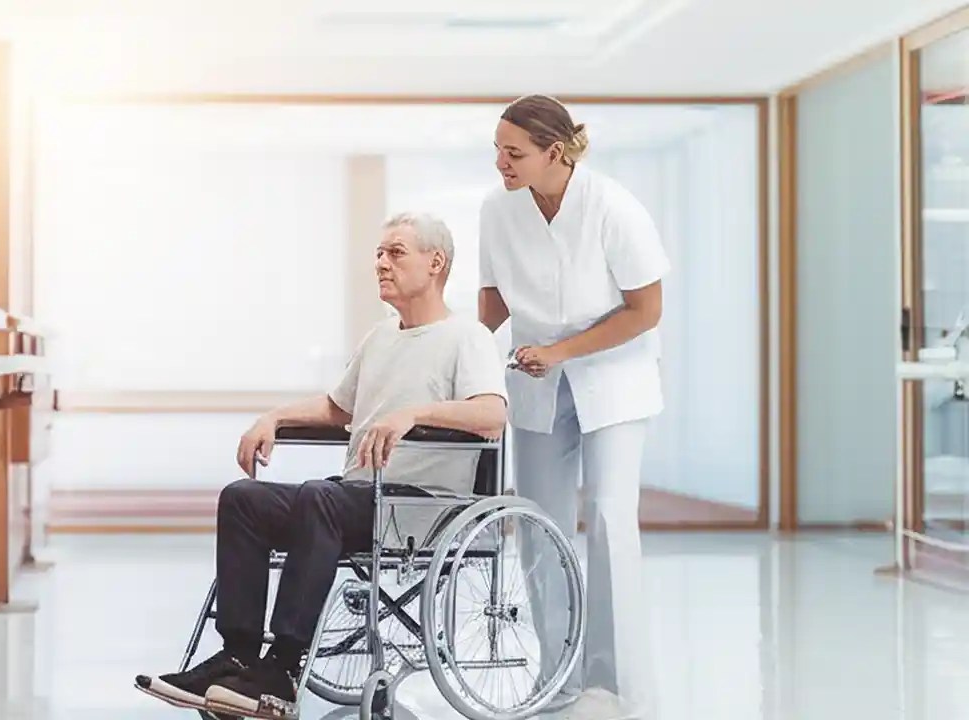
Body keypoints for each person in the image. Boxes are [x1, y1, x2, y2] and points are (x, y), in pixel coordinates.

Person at [135, 212, 508, 719]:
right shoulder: (381, 337)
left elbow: (492, 414)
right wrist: (274, 417)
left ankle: (284, 668)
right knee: (244, 498)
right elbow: (338, 408)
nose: (381, 263)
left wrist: (415, 413)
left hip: (419, 508)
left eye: (396, 253)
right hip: (356, 498)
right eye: (379, 253)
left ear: (435, 262)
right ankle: (238, 656)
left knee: (320, 497)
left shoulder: (467, 336)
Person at [478, 95, 667, 720]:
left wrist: (561, 351)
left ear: (554, 152)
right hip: (536, 381)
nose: (501, 162)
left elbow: (646, 310)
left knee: (609, 517)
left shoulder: (614, 207)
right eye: (497, 149)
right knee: (539, 526)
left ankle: (612, 687)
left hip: (613, 378)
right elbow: (493, 305)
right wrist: (461, 358)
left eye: (514, 152)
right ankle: (558, 676)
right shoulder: (497, 210)